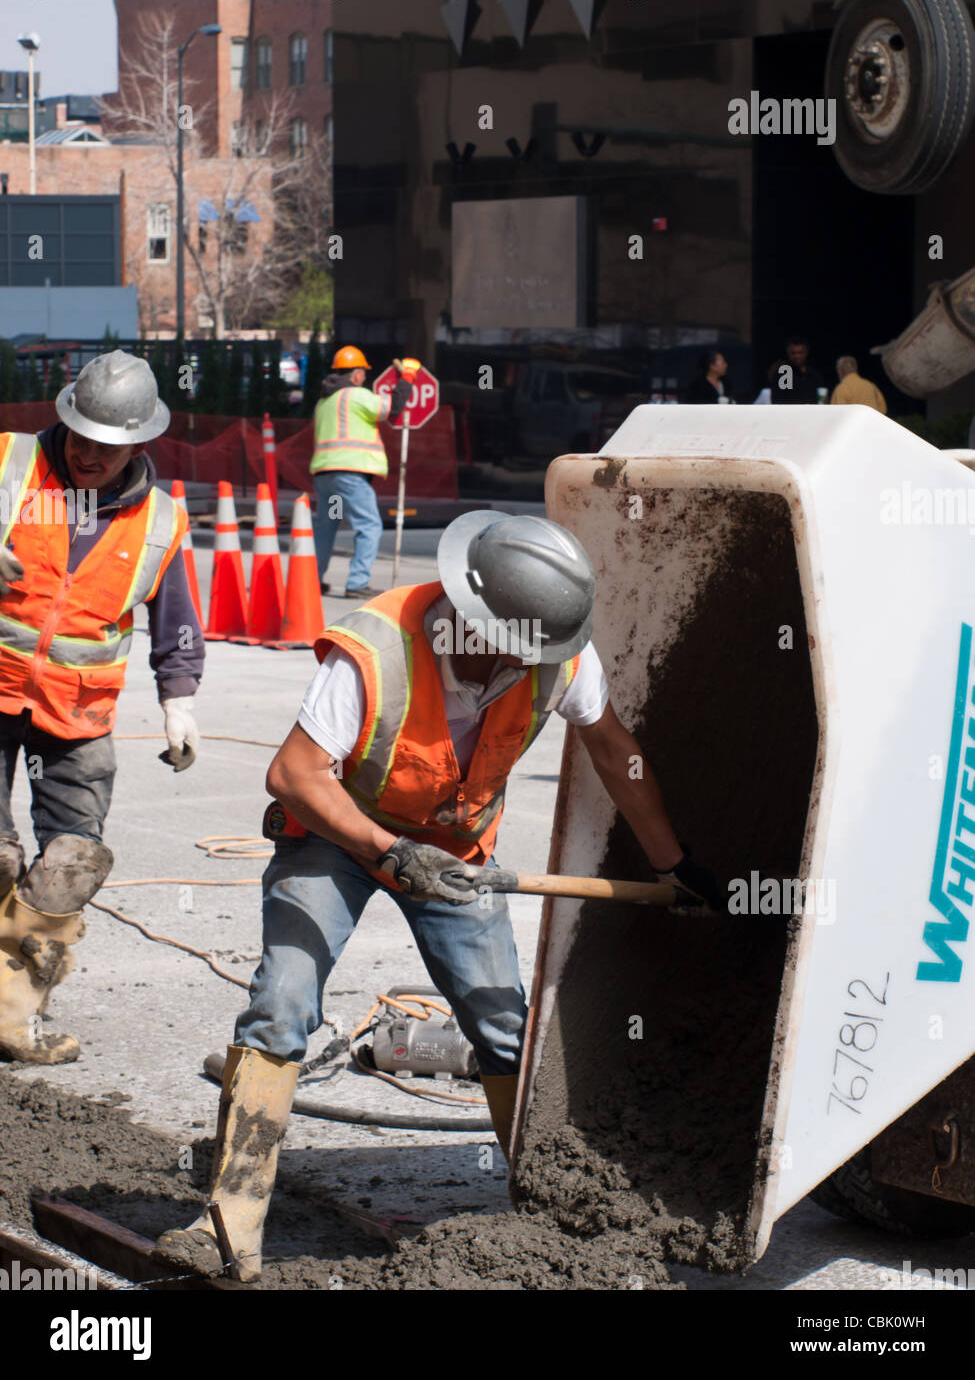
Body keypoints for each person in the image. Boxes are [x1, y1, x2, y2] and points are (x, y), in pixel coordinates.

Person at [155, 511, 721, 1282]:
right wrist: (387, 851)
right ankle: (230, 1218)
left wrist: (672, 862)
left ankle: (544, 1207)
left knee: (501, 1025)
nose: (526, 662)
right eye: (514, 645)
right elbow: (293, 775)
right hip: (335, 835)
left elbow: (613, 750)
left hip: (454, 856)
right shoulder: (376, 648)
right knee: (283, 1001)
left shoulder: (556, 655)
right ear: (471, 613)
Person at [0, 350, 204, 1065]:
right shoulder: (10, 467)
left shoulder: (159, 520)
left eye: (110, 447)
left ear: (140, 442)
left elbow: (177, 616)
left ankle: (13, 1016)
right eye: (83, 439)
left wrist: (179, 698)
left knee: (72, 863)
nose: (91, 456)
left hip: (77, 710)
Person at [310, 346, 418, 598]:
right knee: (368, 525)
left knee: (325, 528)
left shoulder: (324, 402)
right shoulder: (356, 395)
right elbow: (392, 408)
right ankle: (357, 583)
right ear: (356, 374)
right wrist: (409, 376)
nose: (364, 378)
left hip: (325, 476)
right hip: (349, 474)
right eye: (363, 373)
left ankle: (312, 578)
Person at [768, 337, 824, 405]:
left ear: (806, 353)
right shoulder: (782, 375)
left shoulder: (814, 375)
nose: (797, 356)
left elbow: (822, 398)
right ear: (788, 353)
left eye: (800, 352)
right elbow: (777, 402)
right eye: (793, 353)